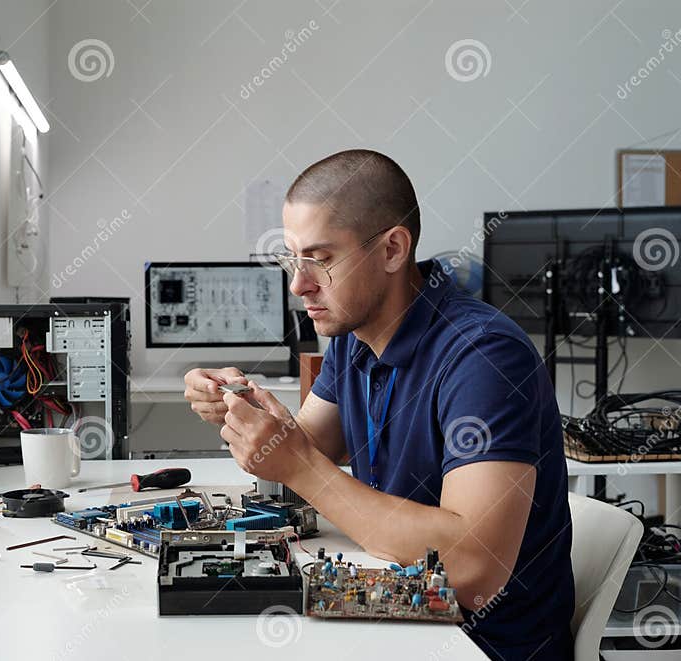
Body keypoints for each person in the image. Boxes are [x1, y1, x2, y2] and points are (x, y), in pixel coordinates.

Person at [184, 149, 574, 660]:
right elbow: (309, 446)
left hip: (479, 645)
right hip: (400, 611)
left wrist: (297, 464)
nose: (298, 285)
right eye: (291, 259)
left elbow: (473, 571)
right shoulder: (354, 335)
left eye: (319, 260)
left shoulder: (483, 358)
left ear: (392, 249)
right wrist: (246, 410)